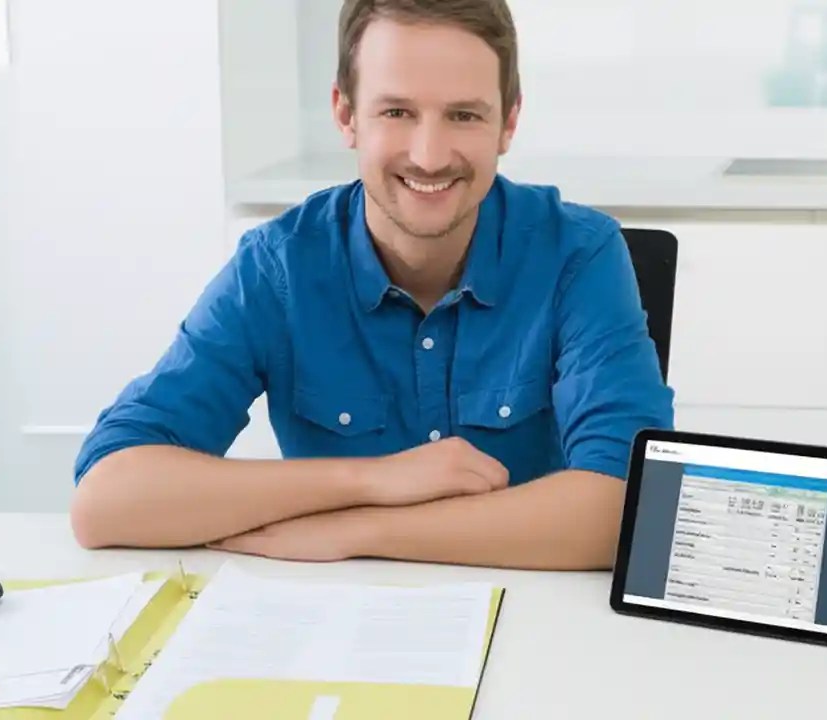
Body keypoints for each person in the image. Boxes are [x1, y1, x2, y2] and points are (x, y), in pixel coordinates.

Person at [69, 0, 674, 570]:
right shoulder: (278, 268)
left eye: (463, 115)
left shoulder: (580, 254)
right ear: (345, 114)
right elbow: (107, 498)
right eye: (396, 112)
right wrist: (372, 480)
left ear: (508, 122)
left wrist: (363, 530)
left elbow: (637, 505)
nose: (429, 155)